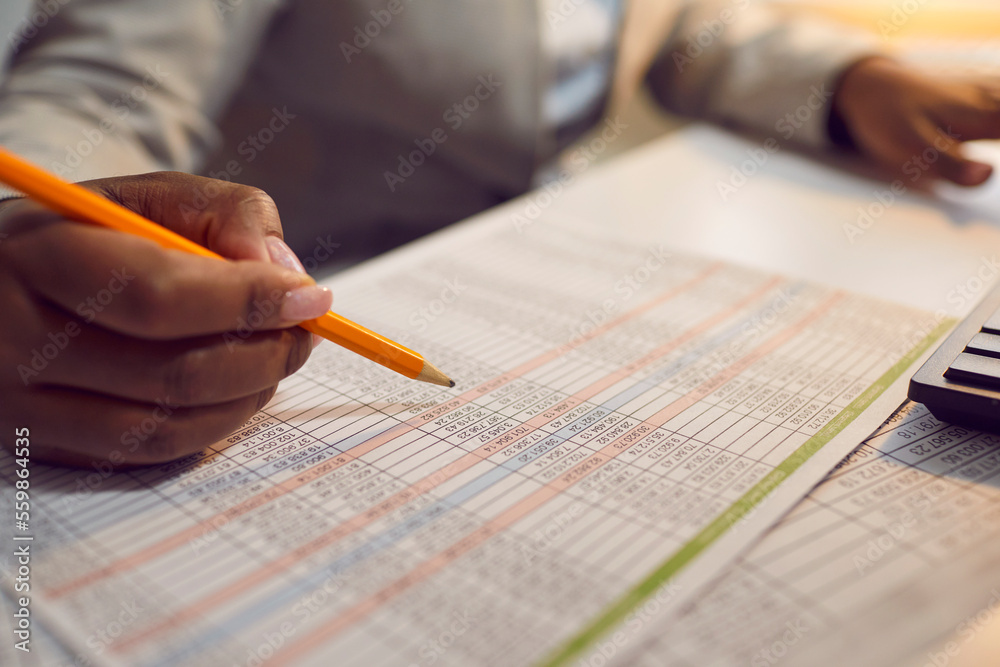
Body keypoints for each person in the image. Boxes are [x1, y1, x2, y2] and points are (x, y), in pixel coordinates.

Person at [1, 0, 998, 465]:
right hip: (313, 279)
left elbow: (686, 26)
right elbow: (102, 85)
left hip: (574, 252)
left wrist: (849, 79)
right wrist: (36, 232)